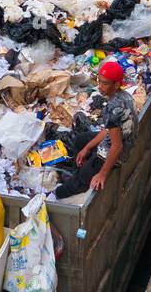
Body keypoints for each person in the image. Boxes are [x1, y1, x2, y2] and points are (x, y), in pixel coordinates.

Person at [55, 59, 137, 198]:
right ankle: (80, 168)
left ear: (117, 84)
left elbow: (116, 146)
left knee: (73, 184)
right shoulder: (125, 96)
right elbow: (108, 131)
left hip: (115, 153)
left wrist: (102, 174)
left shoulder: (114, 108)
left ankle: (62, 191)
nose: (100, 86)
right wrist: (87, 148)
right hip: (117, 141)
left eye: (105, 83)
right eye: (99, 81)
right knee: (81, 140)